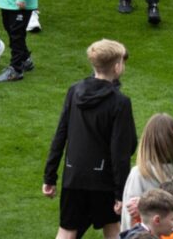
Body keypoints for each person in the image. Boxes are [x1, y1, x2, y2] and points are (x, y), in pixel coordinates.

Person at [44, 39, 136, 239]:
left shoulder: (74, 91)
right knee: (113, 229)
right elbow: (121, 151)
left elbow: (60, 135)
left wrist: (49, 176)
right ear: (117, 67)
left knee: (67, 230)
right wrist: (121, 192)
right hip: (104, 181)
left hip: (73, 176)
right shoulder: (120, 102)